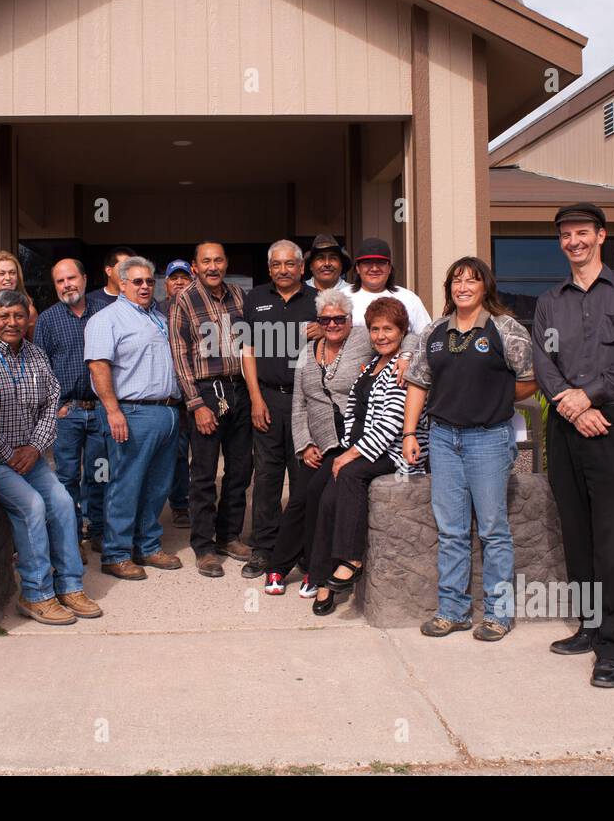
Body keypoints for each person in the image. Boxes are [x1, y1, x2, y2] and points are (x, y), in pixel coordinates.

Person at [531, 202, 614, 689]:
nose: (574, 242)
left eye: (582, 233)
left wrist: (592, 395)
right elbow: (543, 361)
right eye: (566, 235)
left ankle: (613, 647)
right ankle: (589, 626)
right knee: (579, 533)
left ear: (601, 236)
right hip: (567, 426)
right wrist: (572, 406)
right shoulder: (550, 301)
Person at [402, 256, 536, 642]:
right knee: (451, 530)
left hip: (488, 439)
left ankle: (498, 614)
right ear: (449, 290)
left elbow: (528, 380)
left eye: (471, 280)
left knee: (493, 530)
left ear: (484, 287)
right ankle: (453, 611)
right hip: (443, 438)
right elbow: (417, 384)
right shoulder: (434, 331)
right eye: (456, 281)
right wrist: (410, 433)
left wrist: (492, 396)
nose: (463, 287)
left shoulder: (506, 329)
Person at [0, 289, 100, 624]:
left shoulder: (37, 355)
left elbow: (52, 403)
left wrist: (33, 448)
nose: (12, 322)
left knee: (61, 502)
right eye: (4, 316)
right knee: (32, 505)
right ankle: (36, 593)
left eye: (19, 316)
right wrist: (8, 452)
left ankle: (70, 585)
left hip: (31, 455)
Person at [309, 296, 425, 616]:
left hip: (393, 451)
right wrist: (346, 448)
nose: (381, 335)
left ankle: (351, 560)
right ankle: (322, 579)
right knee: (327, 495)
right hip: (363, 447)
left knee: (347, 474)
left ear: (402, 331)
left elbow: (391, 424)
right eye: (375, 329)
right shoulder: (371, 365)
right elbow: (354, 414)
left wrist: (349, 456)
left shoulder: (405, 366)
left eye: (389, 329)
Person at [84, 256, 183, 580]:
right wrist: (113, 411)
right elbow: (98, 367)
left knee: (157, 487)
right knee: (126, 485)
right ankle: (116, 553)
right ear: (122, 284)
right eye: (137, 281)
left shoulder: (157, 316)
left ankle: (148, 545)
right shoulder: (107, 319)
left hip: (166, 411)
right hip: (132, 411)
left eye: (148, 281)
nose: (144, 286)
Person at [169, 241, 253, 577]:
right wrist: (195, 403)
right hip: (205, 392)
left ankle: (228, 536)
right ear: (195, 266)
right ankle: (204, 547)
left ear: (226, 263)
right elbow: (180, 356)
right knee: (203, 475)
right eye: (206, 261)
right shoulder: (184, 300)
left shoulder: (238, 295)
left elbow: (250, 343)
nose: (213, 266)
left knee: (240, 469)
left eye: (219, 260)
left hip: (240, 387)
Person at [239, 240, 315, 577]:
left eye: (289, 264)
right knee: (267, 478)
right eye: (276, 265)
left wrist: (322, 333)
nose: (283, 270)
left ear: (301, 267)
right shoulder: (255, 298)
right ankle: (264, 548)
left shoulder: (317, 300)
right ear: (269, 268)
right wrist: (255, 398)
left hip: (305, 402)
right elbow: (247, 350)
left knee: (302, 478)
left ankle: (300, 548)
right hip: (267, 398)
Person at [35, 258, 107, 559]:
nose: (67, 285)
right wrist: (56, 408)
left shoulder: (104, 313)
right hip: (67, 413)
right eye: (60, 281)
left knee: (101, 474)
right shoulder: (48, 320)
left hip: (101, 409)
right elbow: (41, 368)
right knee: (66, 477)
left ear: (85, 279)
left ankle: (101, 532)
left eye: (71, 278)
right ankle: (72, 537)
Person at [160, 259, 196, 527]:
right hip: (174, 396)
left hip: (201, 389)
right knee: (179, 453)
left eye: (185, 277)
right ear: (167, 284)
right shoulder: (156, 312)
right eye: (175, 278)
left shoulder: (198, 307)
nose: (180, 282)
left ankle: (203, 504)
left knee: (204, 453)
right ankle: (180, 504)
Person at [346, 237, 432, 334]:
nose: (374, 268)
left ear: (390, 268)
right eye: (367, 263)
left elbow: (426, 337)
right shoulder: (342, 297)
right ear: (357, 268)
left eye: (381, 263)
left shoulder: (409, 298)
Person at [0, 250, 36, 340]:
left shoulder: (29, 310)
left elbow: (34, 345)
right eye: (1, 273)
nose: (8, 278)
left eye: (12, 273)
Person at [86, 247, 137, 313]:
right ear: (108, 271)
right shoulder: (91, 300)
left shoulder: (140, 298)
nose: (128, 272)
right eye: (124, 267)